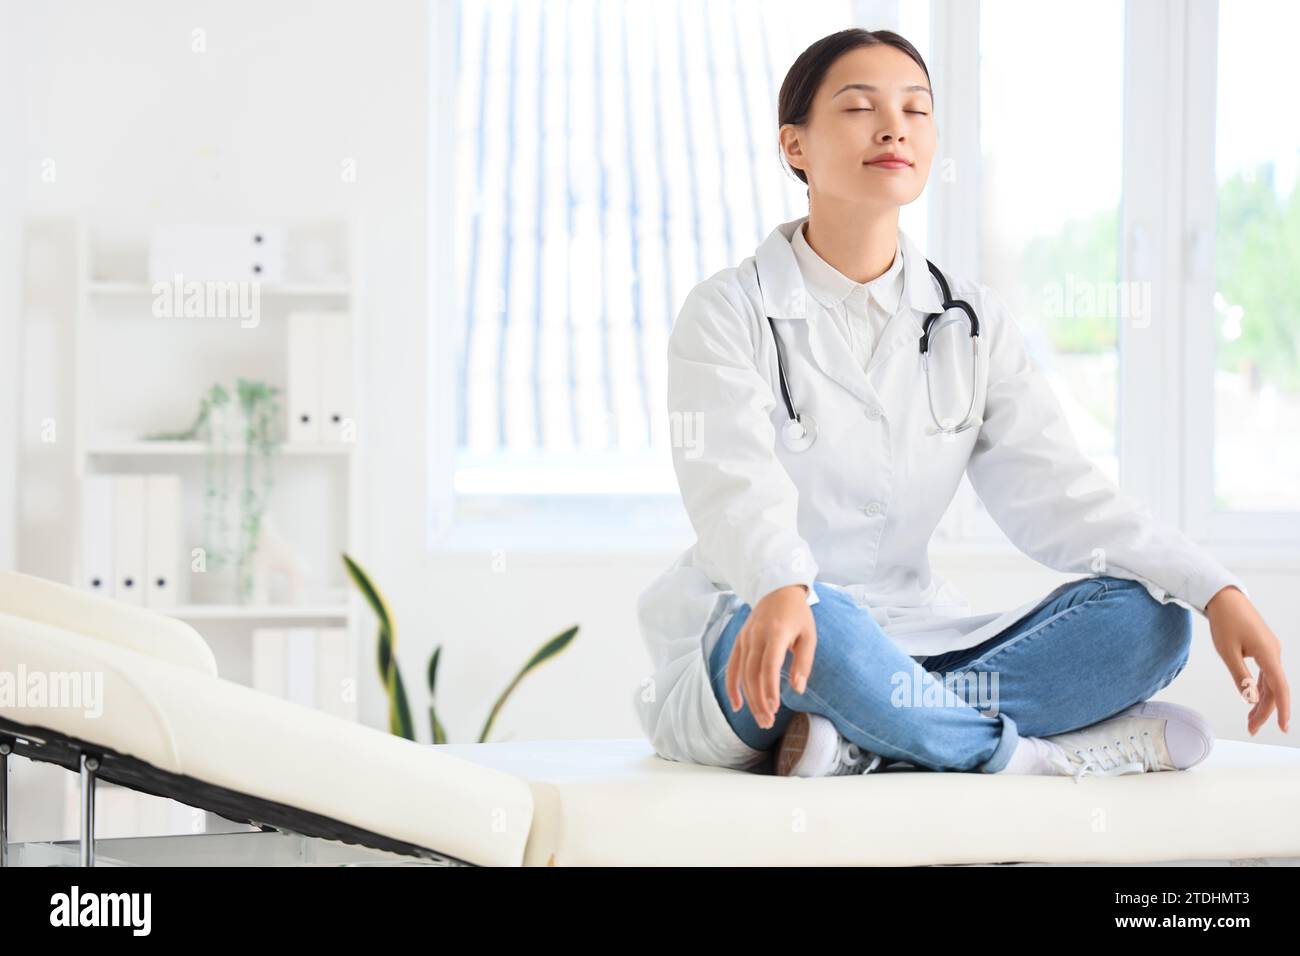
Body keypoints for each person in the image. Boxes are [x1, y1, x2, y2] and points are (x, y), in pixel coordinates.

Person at [632, 27, 1290, 780]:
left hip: (920, 636)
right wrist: (781, 581)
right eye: (859, 108)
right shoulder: (728, 310)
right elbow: (732, 488)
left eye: (916, 110)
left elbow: (1060, 495)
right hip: (766, 637)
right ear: (796, 146)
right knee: (818, 623)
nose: (894, 128)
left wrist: (1215, 590)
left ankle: (870, 741)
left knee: (1149, 623)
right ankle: (1019, 756)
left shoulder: (967, 322)